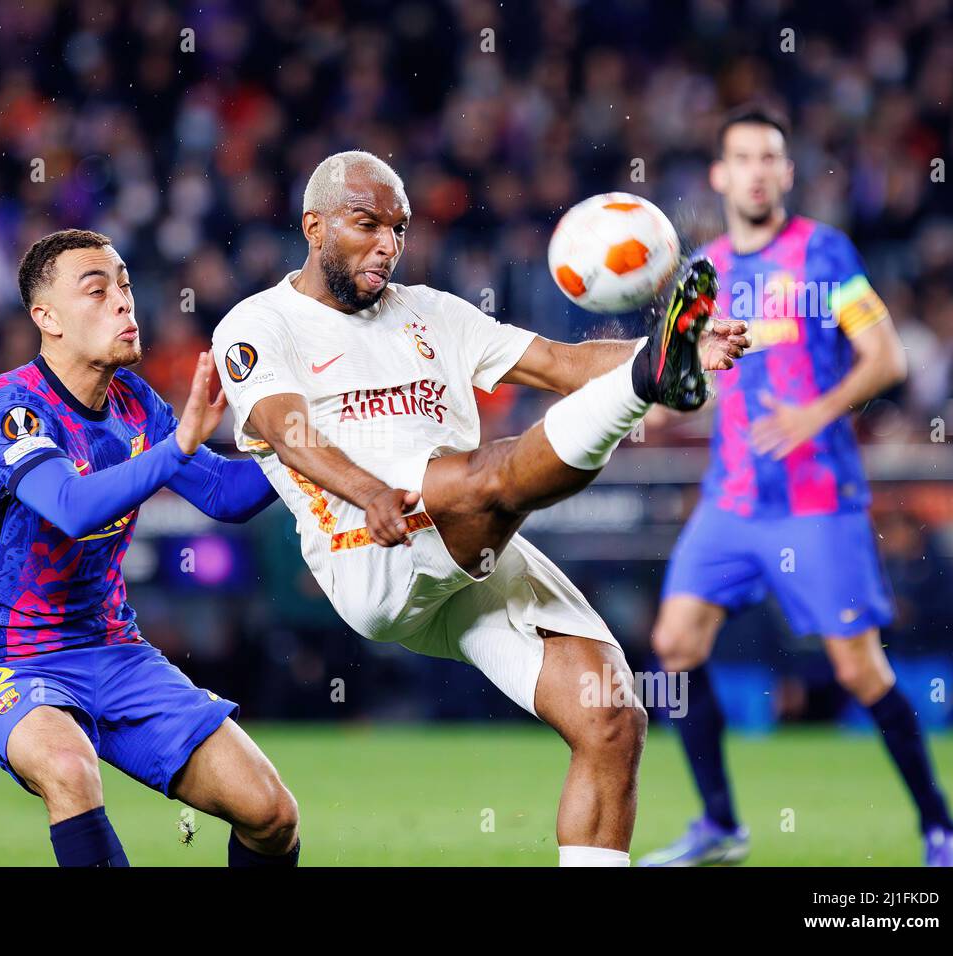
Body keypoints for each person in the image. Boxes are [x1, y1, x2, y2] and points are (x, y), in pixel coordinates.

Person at [212, 151, 748, 866]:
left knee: (611, 714)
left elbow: (559, 363)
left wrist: (686, 343)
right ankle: (650, 381)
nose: (387, 245)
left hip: (469, 541)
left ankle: (657, 368)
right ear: (313, 226)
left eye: (398, 229)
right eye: (367, 224)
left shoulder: (430, 311)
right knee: (490, 475)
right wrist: (369, 491)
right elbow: (286, 428)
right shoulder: (257, 324)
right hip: (371, 547)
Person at [641, 107, 953, 867]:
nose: (757, 170)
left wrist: (814, 414)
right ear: (721, 176)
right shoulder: (706, 272)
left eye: (770, 157)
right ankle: (720, 826)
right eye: (742, 157)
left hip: (815, 501)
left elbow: (885, 357)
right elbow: (696, 379)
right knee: (673, 645)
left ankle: (941, 828)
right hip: (730, 500)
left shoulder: (824, 255)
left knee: (861, 670)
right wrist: (653, 413)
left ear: (787, 173)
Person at [0, 228, 300, 867]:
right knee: (70, 768)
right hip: (12, 659)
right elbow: (71, 507)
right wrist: (177, 448)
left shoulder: (135, 403)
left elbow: (224, 493)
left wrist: (313, 442)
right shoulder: (12, 408)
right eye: (98, 289)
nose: (123, 302)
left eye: (126, 287)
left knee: (270, 813)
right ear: (46, 319)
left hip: (115, 653)